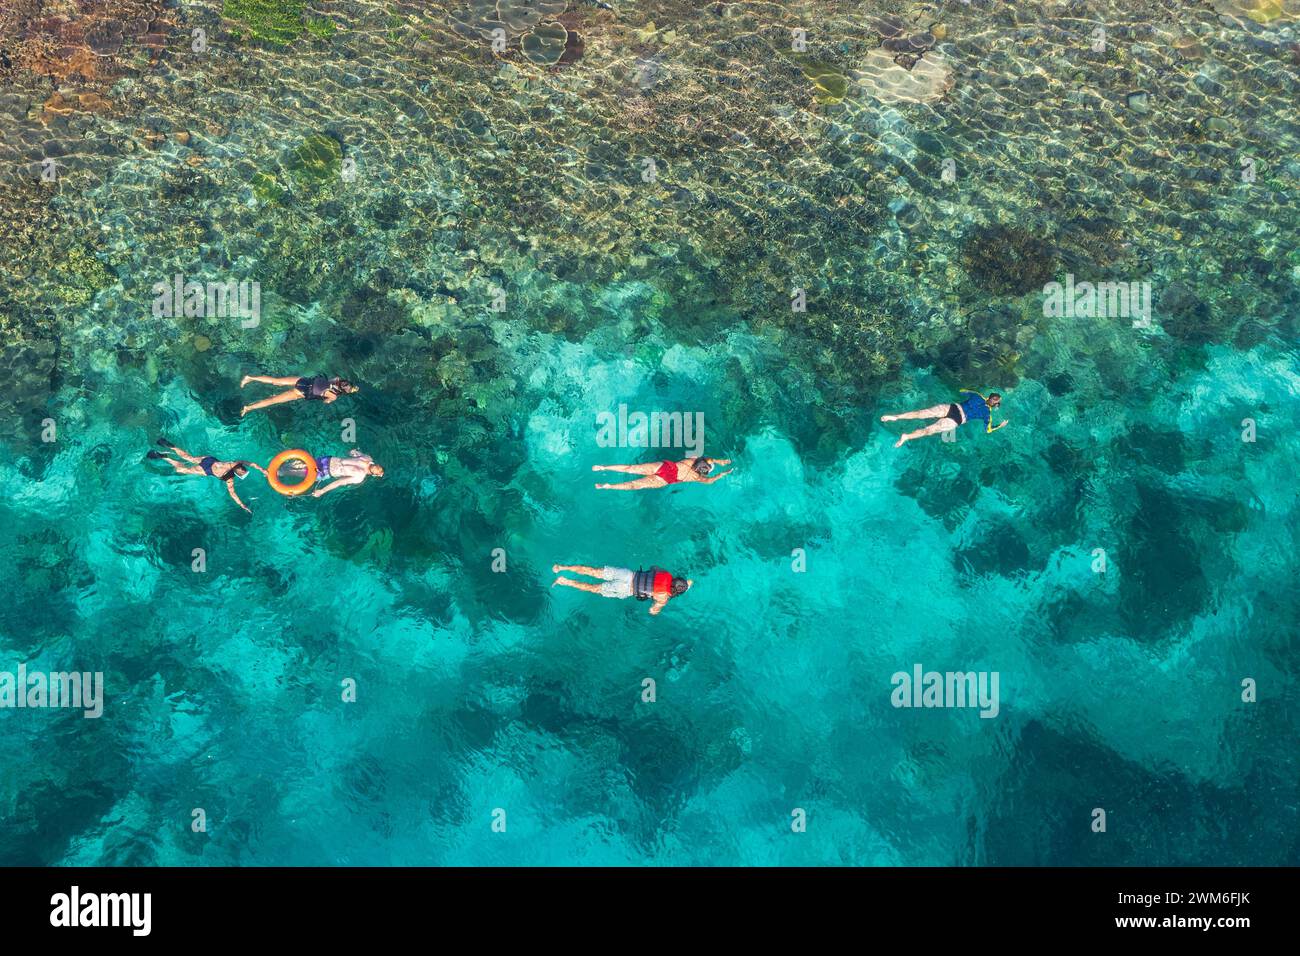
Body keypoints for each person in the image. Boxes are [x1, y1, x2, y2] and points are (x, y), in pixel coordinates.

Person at [145, 438, 265, 513]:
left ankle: (171, 446)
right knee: (182, 470)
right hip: (206, 470)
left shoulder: (234, 463)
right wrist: (242, 505)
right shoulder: (229, 479)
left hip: (210, 460)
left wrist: (263, 470)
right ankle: (164, 457)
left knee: (189, 457)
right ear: (236, 474)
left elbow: (252, 463)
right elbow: (233, 494)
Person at [550, 564, 691, 616]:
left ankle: (562, 567)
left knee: (593, 571)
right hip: (625, 589)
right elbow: (652, 611)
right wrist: (658, 606)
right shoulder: (663, 597)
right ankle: (564, 581)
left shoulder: (665, 574)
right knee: (593, 588)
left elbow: (653, 567)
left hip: (627, 574)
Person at [881, 390, 1008, 447]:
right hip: (955, 421)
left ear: (989, 396)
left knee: (920, 413)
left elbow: (962, 391)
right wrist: (1000, 426)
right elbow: (988, 430)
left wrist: (974, 395)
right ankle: (906, 437)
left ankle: (896, 417)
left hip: (951, 408)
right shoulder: (987, 414)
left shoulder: (978, 395)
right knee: (928, 431)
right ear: (995, 404)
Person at [239, 373, 359, 417]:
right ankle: (248, 408)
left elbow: (331, 380)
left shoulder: (337, 379)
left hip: (304, 381)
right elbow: (325, 401)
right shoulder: (334, 396)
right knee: (273, 400)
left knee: (276, 381)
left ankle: (250, 378)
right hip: (301, 392)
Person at [284, 448, 385, 498]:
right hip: (327, 461)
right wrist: (354, 452)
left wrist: (322, 491)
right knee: (299, 465)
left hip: (325, 471)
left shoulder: (359, 477)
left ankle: (280, 472)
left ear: (376, 475)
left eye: (380, 471)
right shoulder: (367, 458)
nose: (378, 468)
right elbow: (353, 453)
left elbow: (339, 483)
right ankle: (281, 467)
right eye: (380, 468)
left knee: (298, 471)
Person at [592, 456, 732, 490]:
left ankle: (603, 467)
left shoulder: (692, 460)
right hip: (667, 479)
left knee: (631, 468)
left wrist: (720, 461)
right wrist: (722, 474)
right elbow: (710, 481)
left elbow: (709, 458)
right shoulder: (698, 477)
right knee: (635, 485)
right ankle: (609, 486)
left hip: (667, 468)